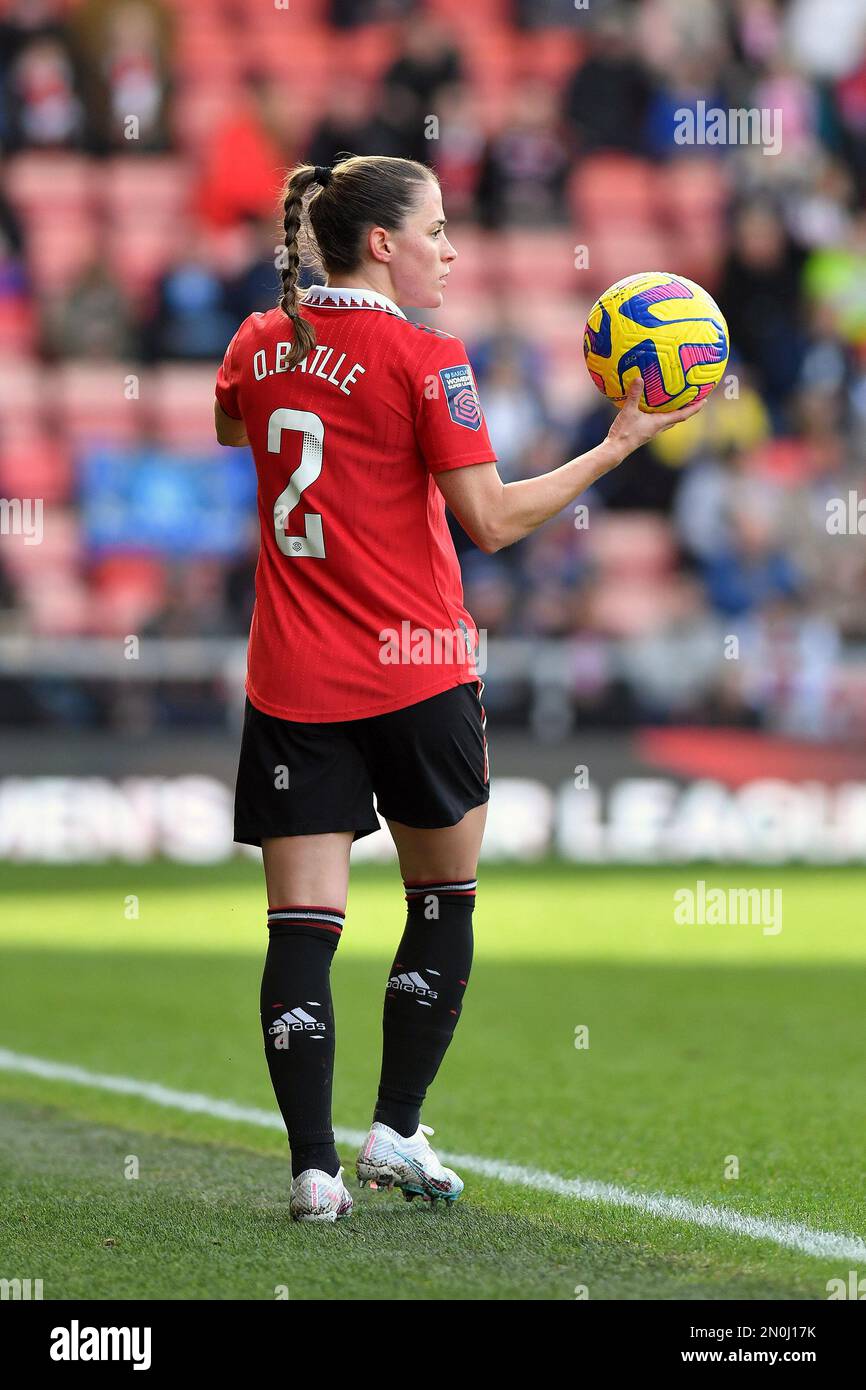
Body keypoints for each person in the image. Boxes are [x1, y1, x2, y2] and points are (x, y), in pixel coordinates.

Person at [213, 154, 705, 1222]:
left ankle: (313, 1173)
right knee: (440, 900)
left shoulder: (259, 340)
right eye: (436, 228)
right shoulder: (427, 354)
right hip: (417, 671)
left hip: (294, 679)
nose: (451, 247)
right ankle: (395, 1125)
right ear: (381, 243)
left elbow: (233, 425)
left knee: (300, 928)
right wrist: (616, 446)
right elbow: (485, 522)